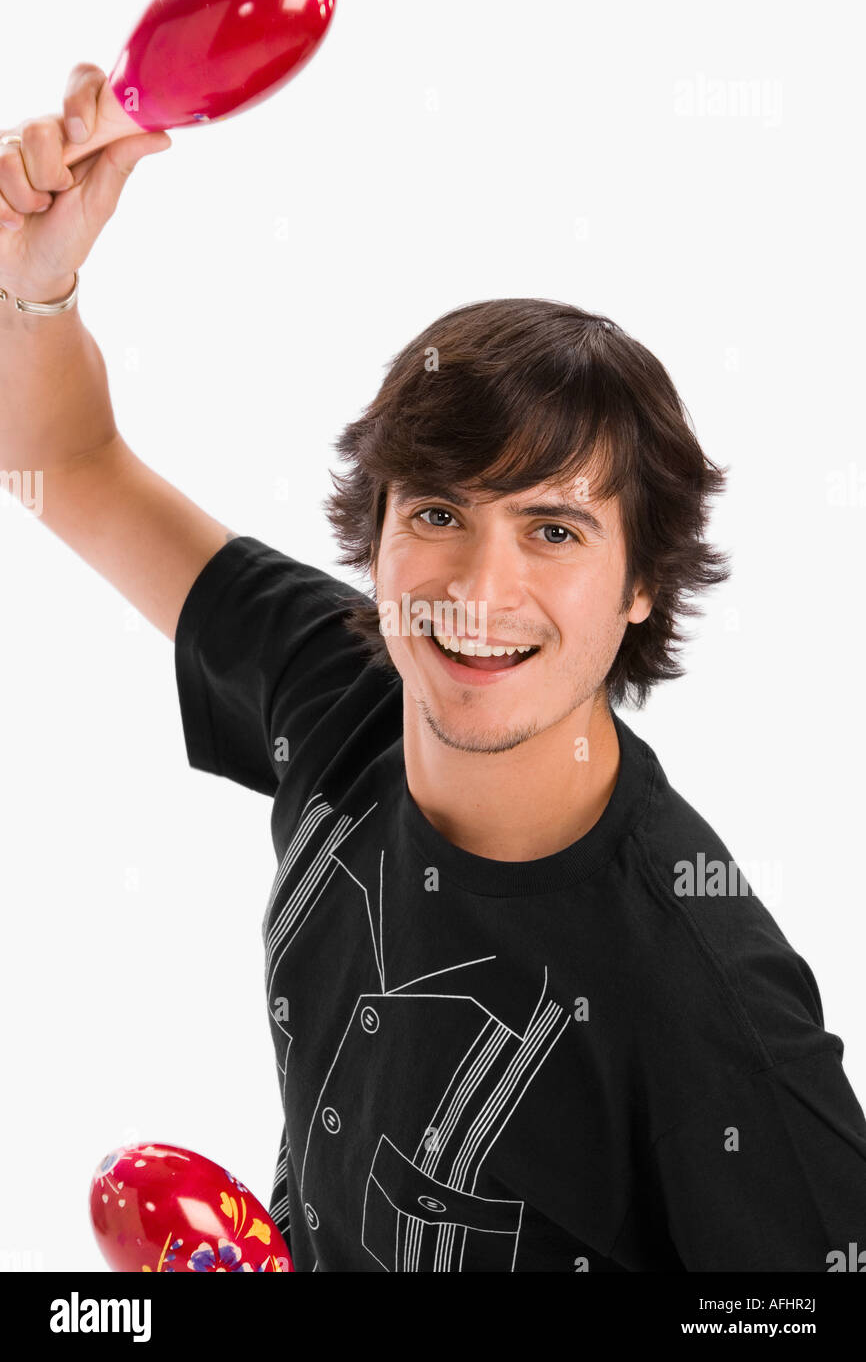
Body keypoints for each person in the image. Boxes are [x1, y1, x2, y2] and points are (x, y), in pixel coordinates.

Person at [3, 64, 865, 1275]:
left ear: (639, 585)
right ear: (379, 530)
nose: (475, 590)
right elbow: (69, 462)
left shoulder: (704, 996)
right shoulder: (341, 683)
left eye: (553, 530)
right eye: (438, 514)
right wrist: (34, 290)